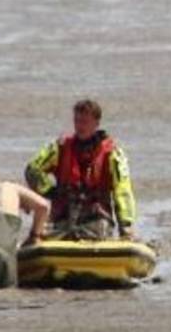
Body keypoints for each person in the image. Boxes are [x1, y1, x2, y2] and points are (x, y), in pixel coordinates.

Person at [24, 99, 137, 240]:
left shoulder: (112, 153)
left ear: (96, 123)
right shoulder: (60, 147)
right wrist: (50, 192)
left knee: (99, 232)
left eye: (85, 122)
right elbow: (33, 169)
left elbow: (123, 190)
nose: (79, 126)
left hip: (96, 219)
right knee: (41, 236)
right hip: (62, 218)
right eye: (77, 121)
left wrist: (126, 228)